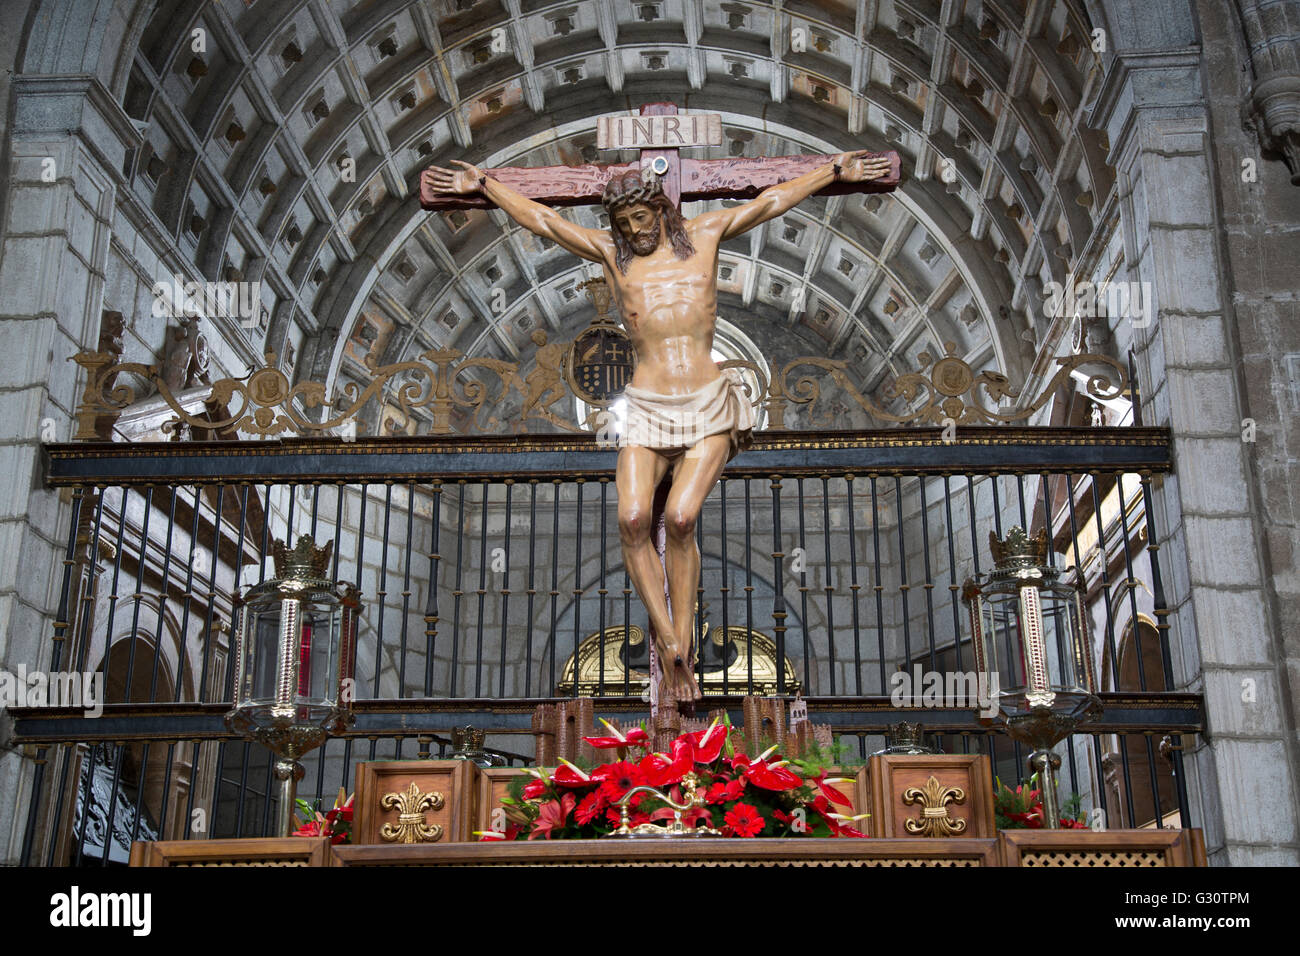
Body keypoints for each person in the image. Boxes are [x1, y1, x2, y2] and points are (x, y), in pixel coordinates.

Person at [422, 149, 893, 706]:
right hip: (645, 405)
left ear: (662, 210)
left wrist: (832, 172)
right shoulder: (612, 253)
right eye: (623, 223)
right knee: (631, 518)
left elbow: (770, 201)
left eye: (641, 218)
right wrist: (485, 184)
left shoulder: (707, 232)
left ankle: (683, 645)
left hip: (707, 401)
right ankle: (669, 644)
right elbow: (545, 220)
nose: (633, 231)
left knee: (682, 517)